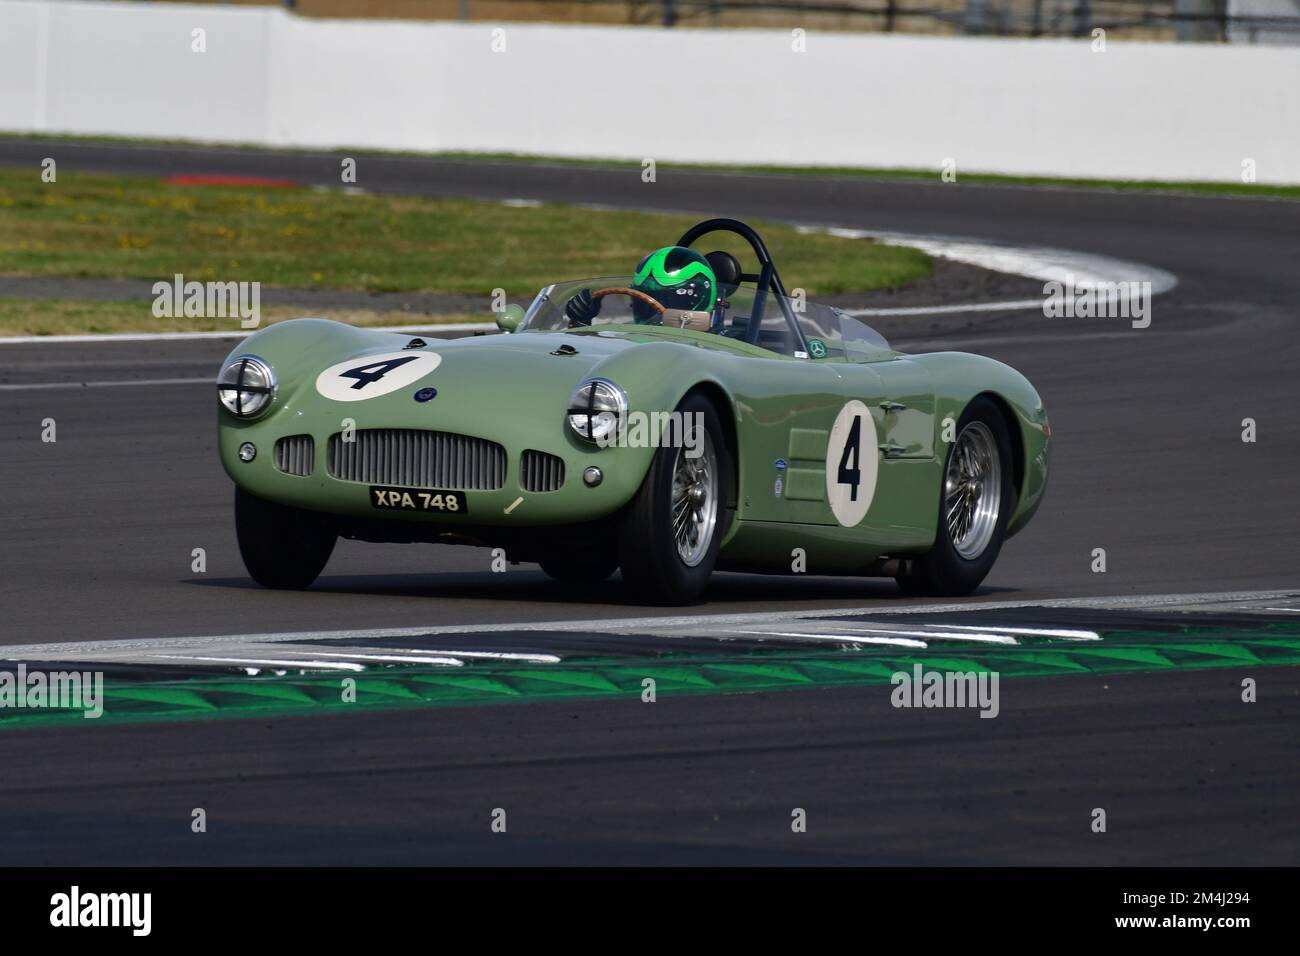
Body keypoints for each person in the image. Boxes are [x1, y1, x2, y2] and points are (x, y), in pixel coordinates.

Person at [565, 245, 717, 326]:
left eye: (667, 300)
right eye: (644, 298)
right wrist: (580, 321)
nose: (655, 314)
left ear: (698, 296)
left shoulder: (719, 347)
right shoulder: (628, 335)